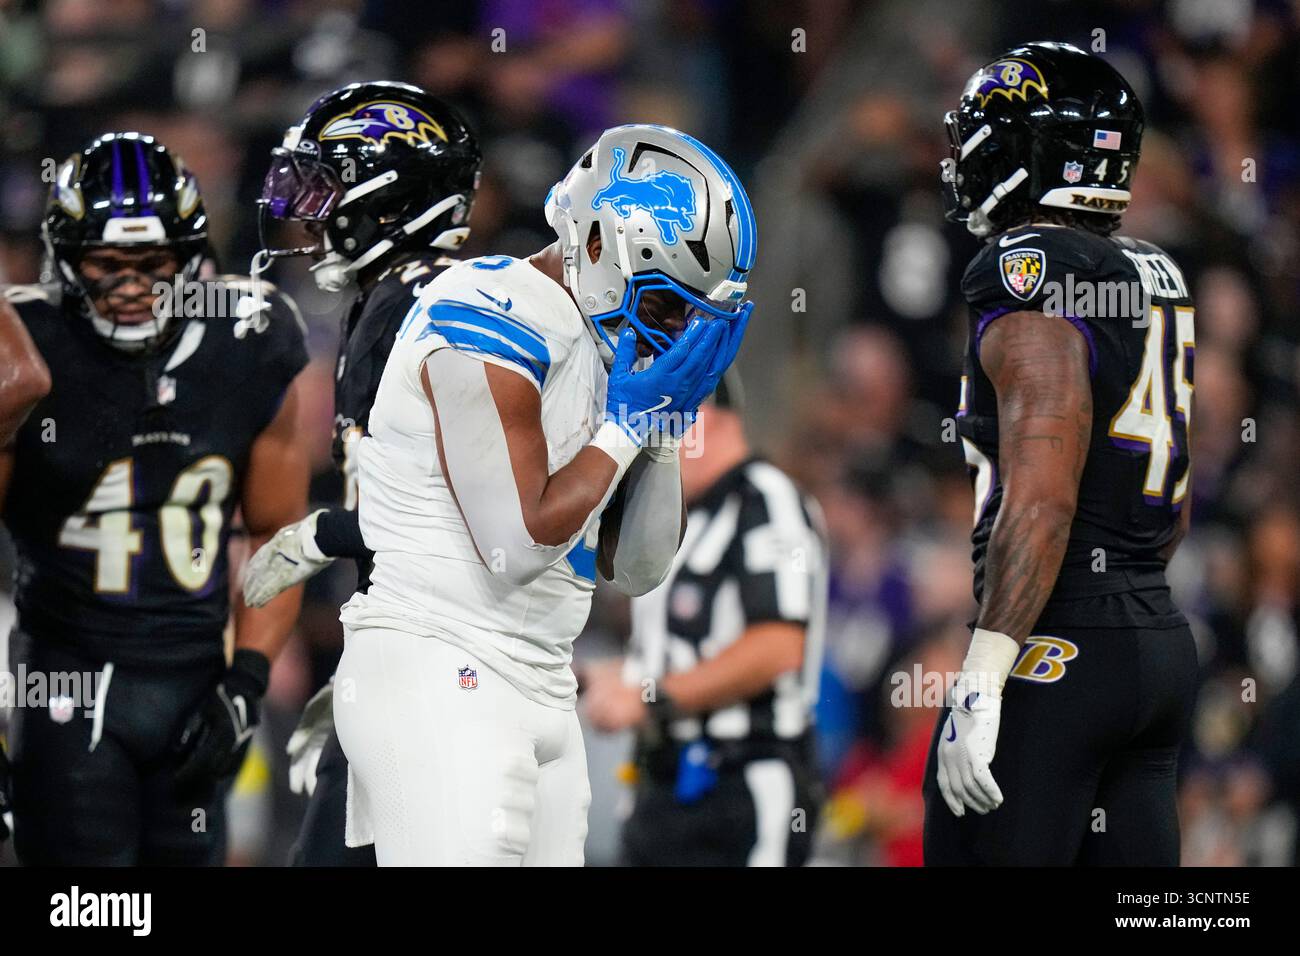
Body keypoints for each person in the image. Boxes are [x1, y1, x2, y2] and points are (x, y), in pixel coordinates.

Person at [332, 124, 756, 865]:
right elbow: (514, 544)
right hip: (439, 664)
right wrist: (627, 426)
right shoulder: (483, 305)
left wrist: (661, 428)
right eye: (666, 306)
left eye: (696, 315)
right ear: (597, 245)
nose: (677, 332)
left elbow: (640, 567)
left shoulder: (603, 344)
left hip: (541, 677)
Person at [0, 132, 309, 865]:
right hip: (67, 680)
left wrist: (247, 681)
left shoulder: (250, 339)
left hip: (198, 680)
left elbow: (278, 535)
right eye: (107, 264)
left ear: (191, 257)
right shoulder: (27, 350)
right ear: (66, 258)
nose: (132, 285)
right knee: (91, 911)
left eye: (154, 264)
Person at [925, 42, 1198, 865]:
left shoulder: (1030, 268)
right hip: (1155, 640)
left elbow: (1042, 495)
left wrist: (982, 670)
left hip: (1058, 646)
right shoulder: (1153, 269)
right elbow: (1166, 501)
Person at [239, 80, 483, 866]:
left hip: (452, 669)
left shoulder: (437, 309)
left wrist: (328, 531)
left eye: (327, 184)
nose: (309, 208)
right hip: (410, 658)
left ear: (388, 198)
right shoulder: (392, 301)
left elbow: (479, 512)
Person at [584, 371, 828, 866]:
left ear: (701, 420)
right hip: (664, 785)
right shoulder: (688, 518)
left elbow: (778, 646)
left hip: (739, 786)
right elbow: (685, 649)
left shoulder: (766, 500)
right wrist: (607, 678)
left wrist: (648, 701)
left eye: (661, 430)